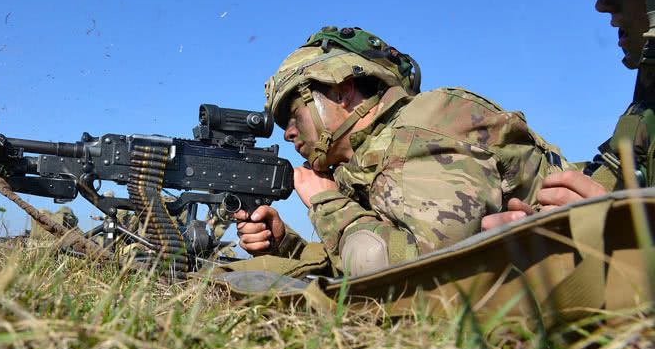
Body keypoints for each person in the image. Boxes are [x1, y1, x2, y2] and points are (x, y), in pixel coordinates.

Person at [235, 25, 566, 276]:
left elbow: (423, 273)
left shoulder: (423, 127)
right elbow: (355, 268)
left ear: (342, 92)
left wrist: (328, 203)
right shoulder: (363, 163)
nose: (288, 133)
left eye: (294, 114)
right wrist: (285, 245)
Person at [482, 0, 655, 230]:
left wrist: (620, 226)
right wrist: (541, 223)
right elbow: (606, 185)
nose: (602, 4)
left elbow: (618, 217)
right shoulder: (646, 108)